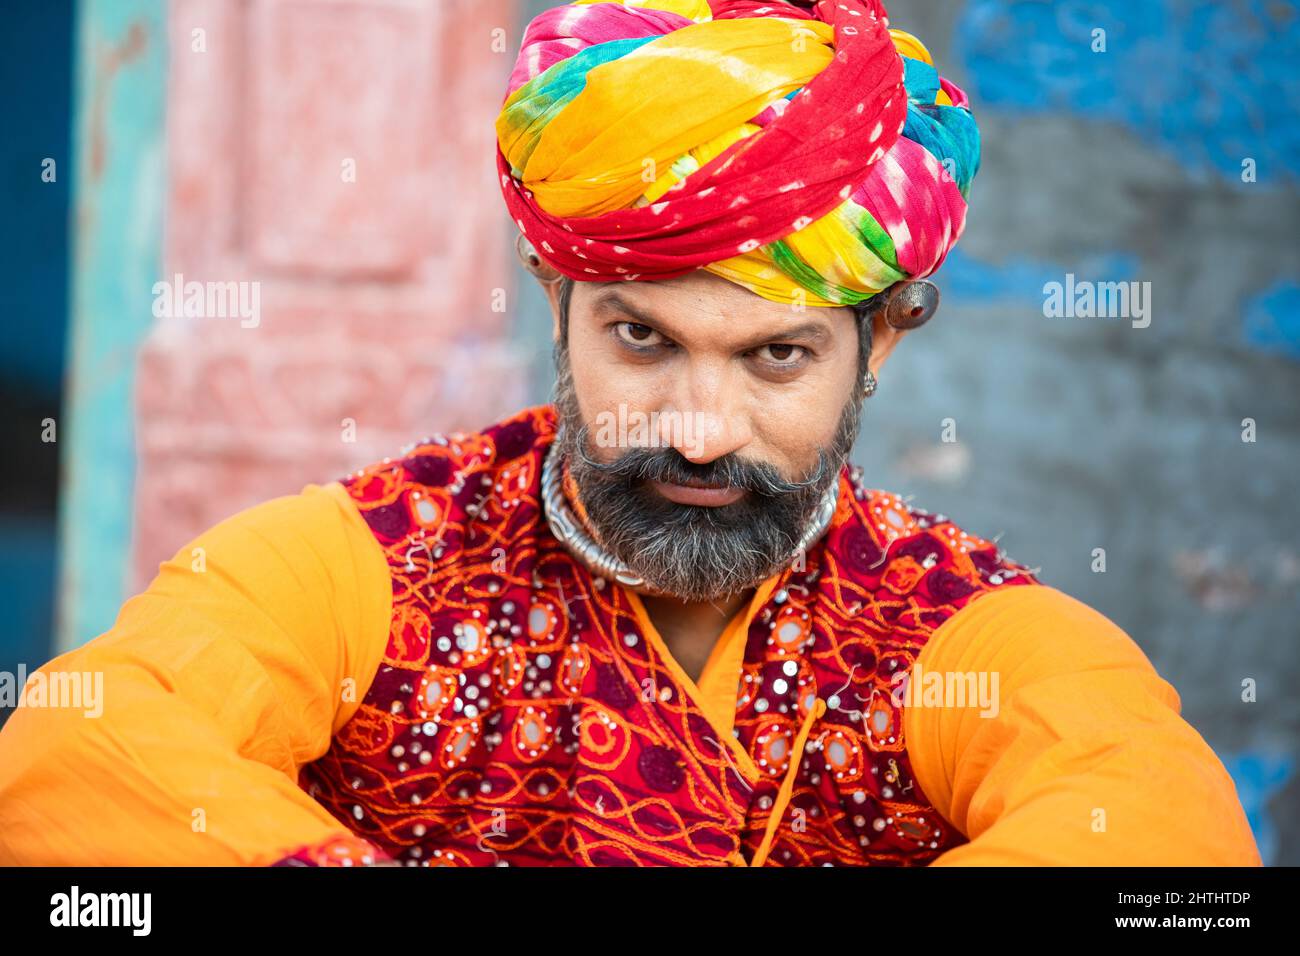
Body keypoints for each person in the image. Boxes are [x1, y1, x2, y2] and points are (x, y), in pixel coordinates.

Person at [0, 0, 1259, 867]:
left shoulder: (965, 632)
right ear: (559, 300)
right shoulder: (363, 564)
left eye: (776, 356)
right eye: (644, 341)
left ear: (879, 343)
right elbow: (77, 745)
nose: (700, 432)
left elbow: (1162, 834)